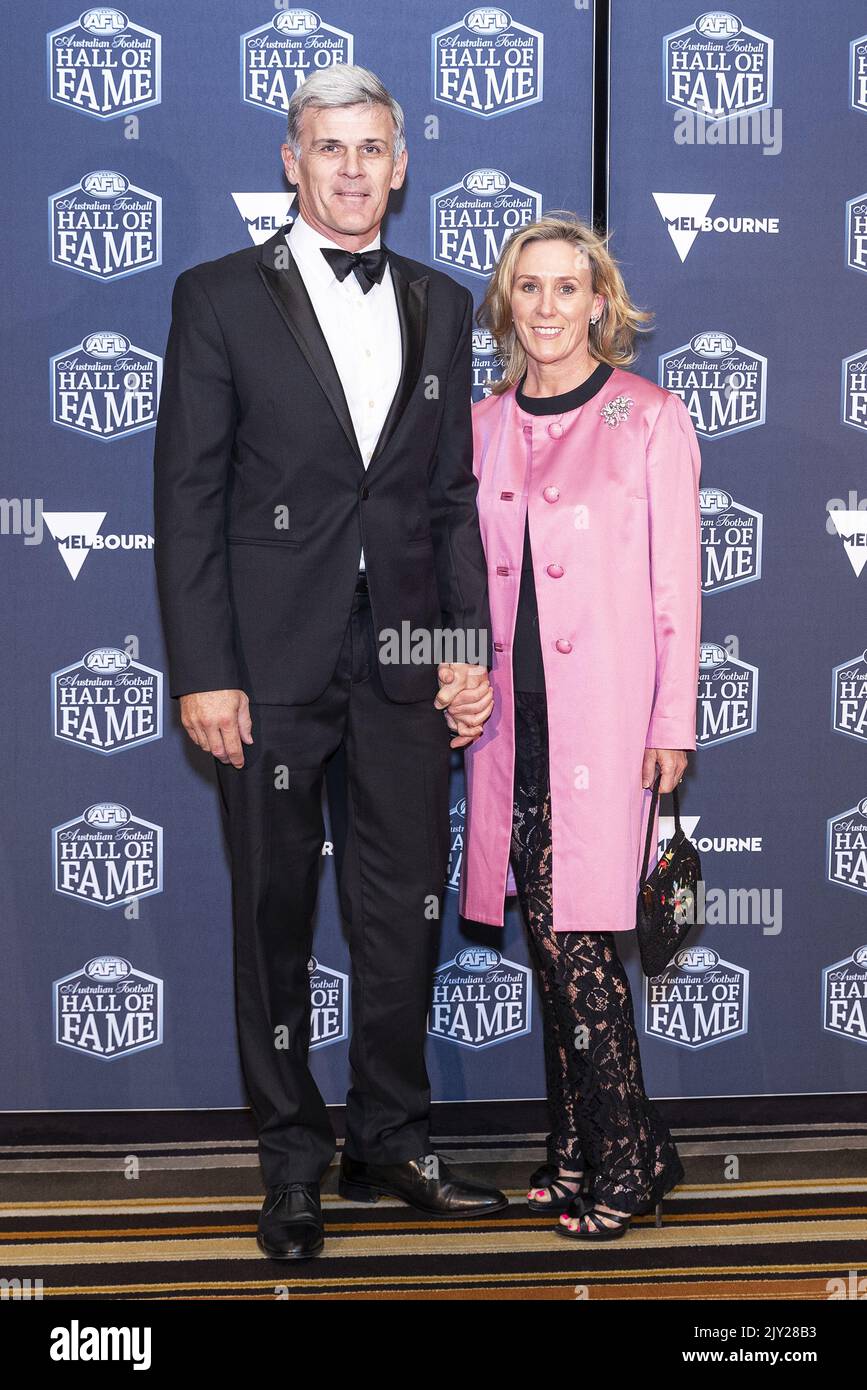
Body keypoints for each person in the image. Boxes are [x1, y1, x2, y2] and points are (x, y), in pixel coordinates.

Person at [152, 65, 503, 1262]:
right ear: (293, 163)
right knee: (274, 916)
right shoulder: (217, 298)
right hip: (268, 663)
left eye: (372, 148)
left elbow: (451, 501)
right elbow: (190, 498)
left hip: (407, 661)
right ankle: (292, 1164)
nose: (352, 169)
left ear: (402, 165)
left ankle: (392, 1141)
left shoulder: (445, 304)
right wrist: (205, 667)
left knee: (400, 916)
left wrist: (464, 654)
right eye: (328, 148)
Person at [450, 212, 702, 1240]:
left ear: (601, 299)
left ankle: (627, 1155)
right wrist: (448, 678)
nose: (548, 307)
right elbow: (456, 578)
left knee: (580, 943)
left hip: (607, 728)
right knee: (554, 947)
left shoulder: (649, 418)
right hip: (511, 730)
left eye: (567, 287)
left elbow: (679, 587)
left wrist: (672, 718)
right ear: (508, 305)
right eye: (529, 287)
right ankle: (582, 1145)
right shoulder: (480, 423)